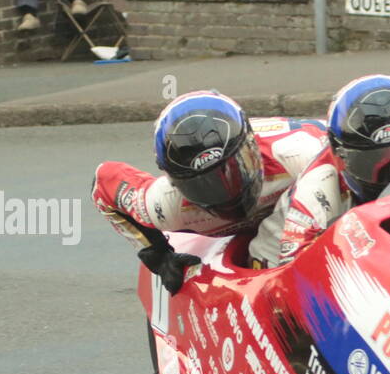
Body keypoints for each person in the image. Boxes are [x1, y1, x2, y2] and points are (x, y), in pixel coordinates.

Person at [92, 90, 329, 291]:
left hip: (302, 212)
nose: (223, 192)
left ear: (252, 147)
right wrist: (156, 252)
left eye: (234, 170)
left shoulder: (300, 152)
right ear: (174, 182)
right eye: (199, 185)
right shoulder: (163, 204)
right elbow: (103, 182)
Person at [263, 74, 390, 269]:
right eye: (372, 161)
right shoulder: (318, 190)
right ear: (339, 156)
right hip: (271, 263)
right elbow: (294, 276)